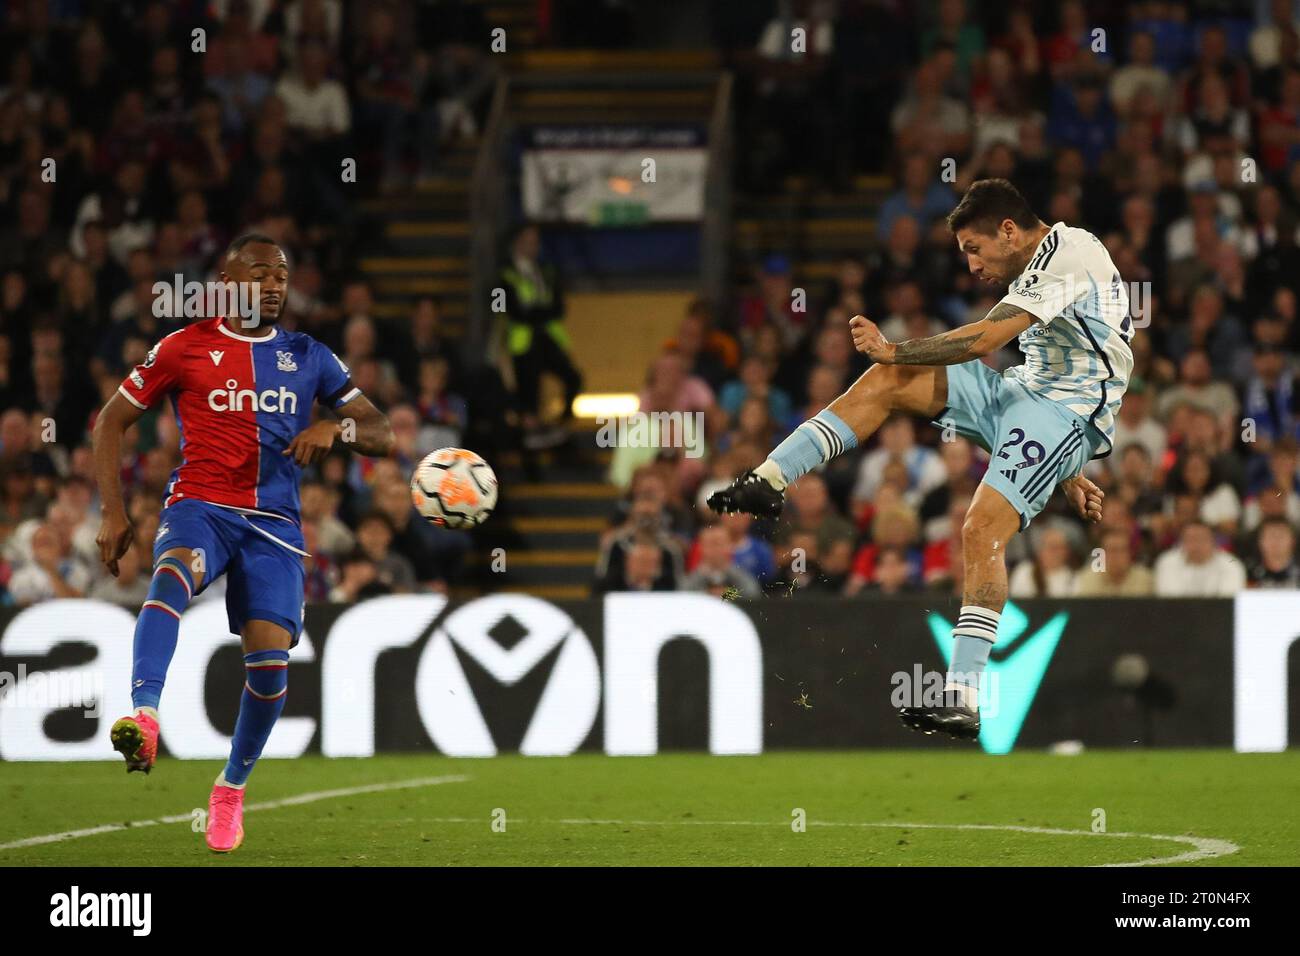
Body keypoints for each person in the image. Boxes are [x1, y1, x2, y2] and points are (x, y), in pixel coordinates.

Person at [709, 178, 1127, 740]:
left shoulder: (1070, 251)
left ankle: (963, 697)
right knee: (890, 379)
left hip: (1066, 415)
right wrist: (1065, 471)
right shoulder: (1038, 266)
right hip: (1024, 397)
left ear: (1009, 230)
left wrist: (896, 345)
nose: (972, 265)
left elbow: (983, 342)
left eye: (975, 249)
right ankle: (769, 478)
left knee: (980, 528)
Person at [91, 234, 394, 853]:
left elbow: (381, 431)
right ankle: (145, 717)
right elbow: (110, 421)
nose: (276, 284)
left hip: (275, 526)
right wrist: (113, 512)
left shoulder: (309, 355)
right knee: (171, 574)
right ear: (227, 281)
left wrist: (335, 427)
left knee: (270, 666)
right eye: (261, 272)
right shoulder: (183, 347)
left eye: (283, 274)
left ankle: (230, 787)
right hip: (200, 506)